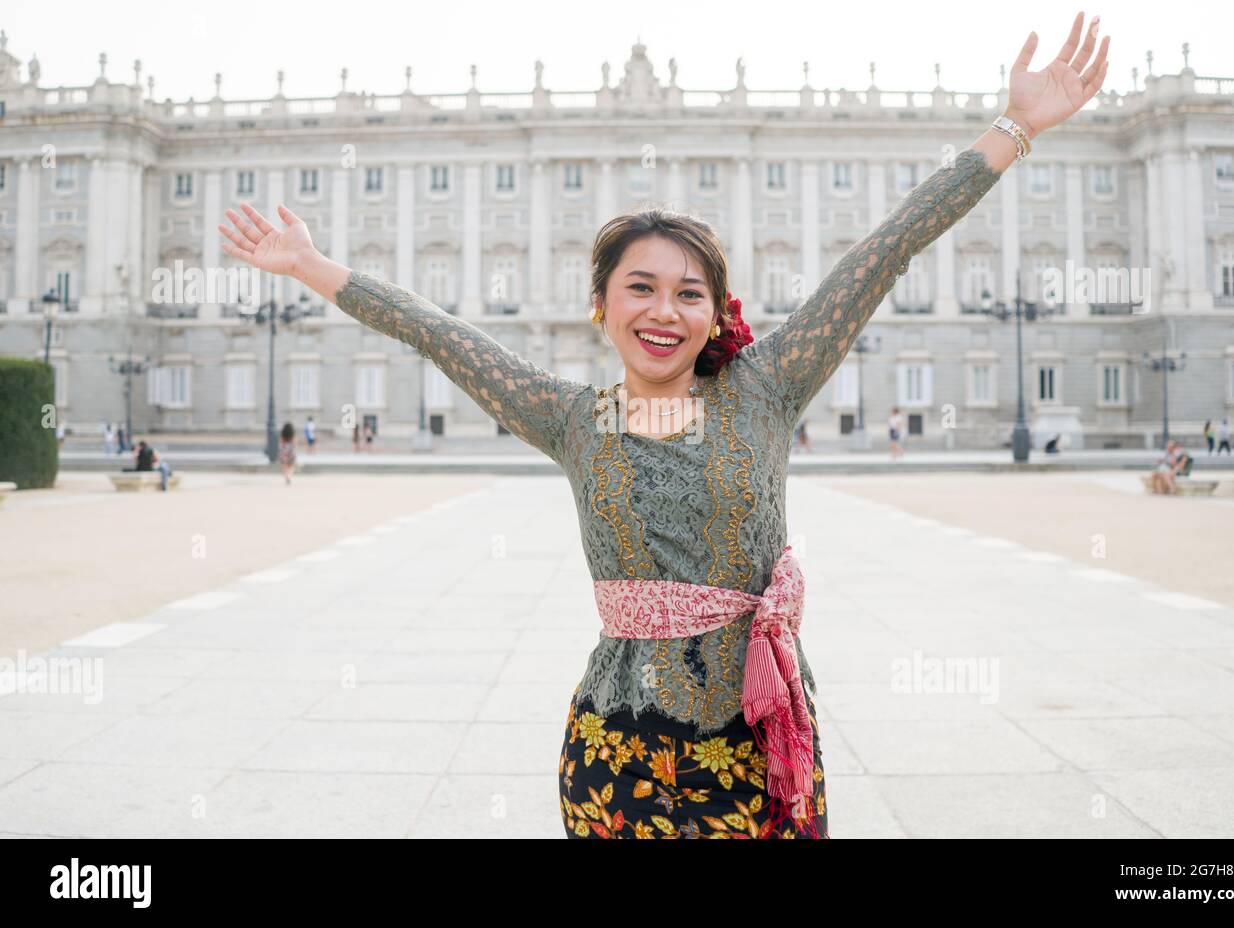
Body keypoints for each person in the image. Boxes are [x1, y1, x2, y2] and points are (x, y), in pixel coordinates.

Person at [218, 11, 1105, 839]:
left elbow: (883, 252)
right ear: (600, 303)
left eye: (690, 293)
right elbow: (436, 333)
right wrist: (312, 266)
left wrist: (1013, 131)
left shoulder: (767, 388)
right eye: (639, 287)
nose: (664, 311)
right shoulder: (570, 419)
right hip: (611, 754)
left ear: (717, 314)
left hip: (756, 742)